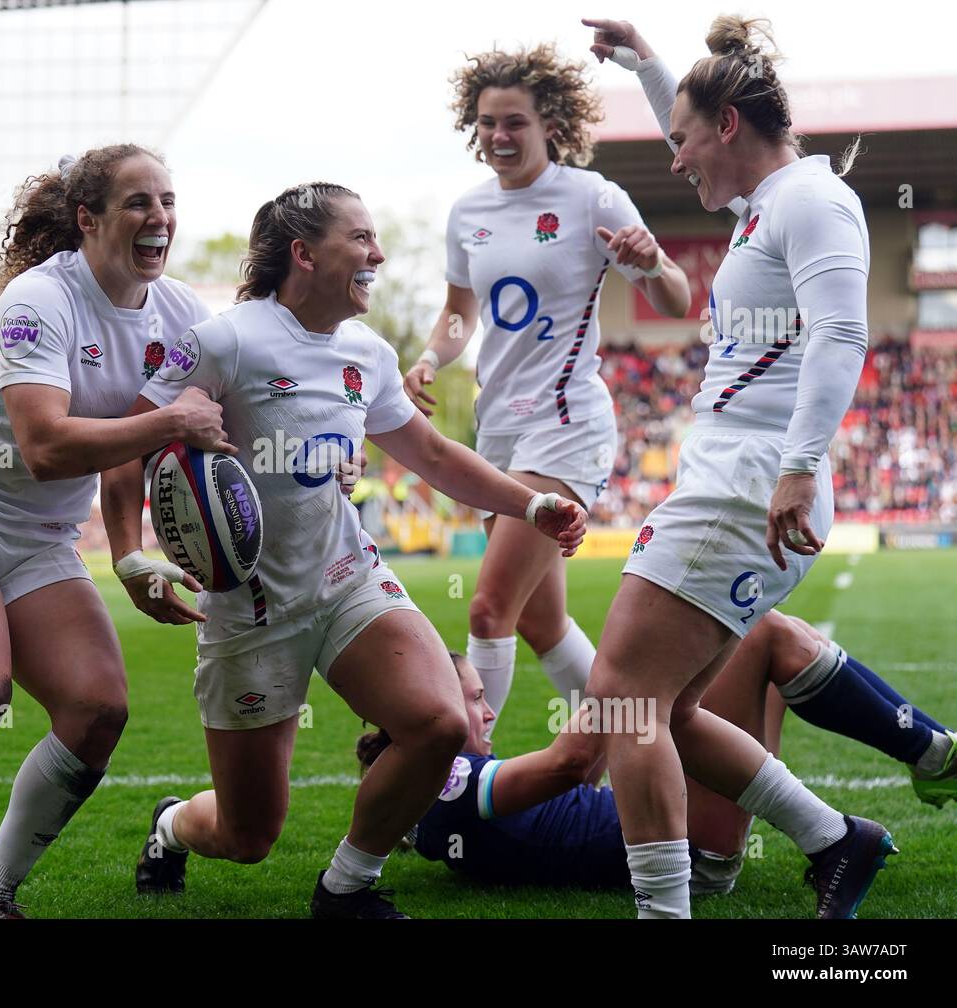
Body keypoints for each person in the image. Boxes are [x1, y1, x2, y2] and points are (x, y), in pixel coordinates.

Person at [101, 181, 587, 918]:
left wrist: (534, 503)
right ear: (304, 252)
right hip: (252, 611)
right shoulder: (227, 340)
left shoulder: (367, 351)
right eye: (360, 239)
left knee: (440, 723)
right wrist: (130, 557)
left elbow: (431, 452)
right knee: (247, 833)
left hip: (348, 579)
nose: (378, 254)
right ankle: (171, 824)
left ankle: (345, 889)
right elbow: (126, 450)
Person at [566, 13, 889, 918]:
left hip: (749, 485)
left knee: (623, 696)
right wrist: (644, 62)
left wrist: (798, 463)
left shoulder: (810, 201)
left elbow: (842, 333)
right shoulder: (767, 208)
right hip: (736, 480)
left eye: (684, 140)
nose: (676, 159)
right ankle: (837, 839)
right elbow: (692, 112)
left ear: (731, 127)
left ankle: (666, 913)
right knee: (659, 710)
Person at [0, 144, 229, 919]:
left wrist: (129, 555)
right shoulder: (38, 299)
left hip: (41, 538)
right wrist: (172, 419)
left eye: (167, 200)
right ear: (87, 219)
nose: (158, 217)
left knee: (98, 711)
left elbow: (137, 444)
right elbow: (48, 446)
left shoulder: (184, 315)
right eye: (137, 203)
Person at [404, 45, 691, 738]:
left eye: (515, 123)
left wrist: (650, 264)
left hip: (565, 425)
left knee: (486, 612)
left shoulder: (592, 195)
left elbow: (679, 297)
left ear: (551, 123)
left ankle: (468, 771)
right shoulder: (467, 211)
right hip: (495, 431)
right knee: (543, 624)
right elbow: (459, 314)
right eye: (486, 123)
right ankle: (633, 747)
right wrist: (428, 358)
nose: (498, 137)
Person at [363, 614, 950, 903]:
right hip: (685, 850)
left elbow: (577, 774)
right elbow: (570, 764)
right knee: (757, 632)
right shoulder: (450, 781)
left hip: (675, 826)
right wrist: (627, 671)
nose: (488, 713)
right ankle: (929, 752)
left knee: (752, 646)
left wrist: (626, 682)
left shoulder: (427, 788)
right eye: (473, 700)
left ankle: (932, 751)